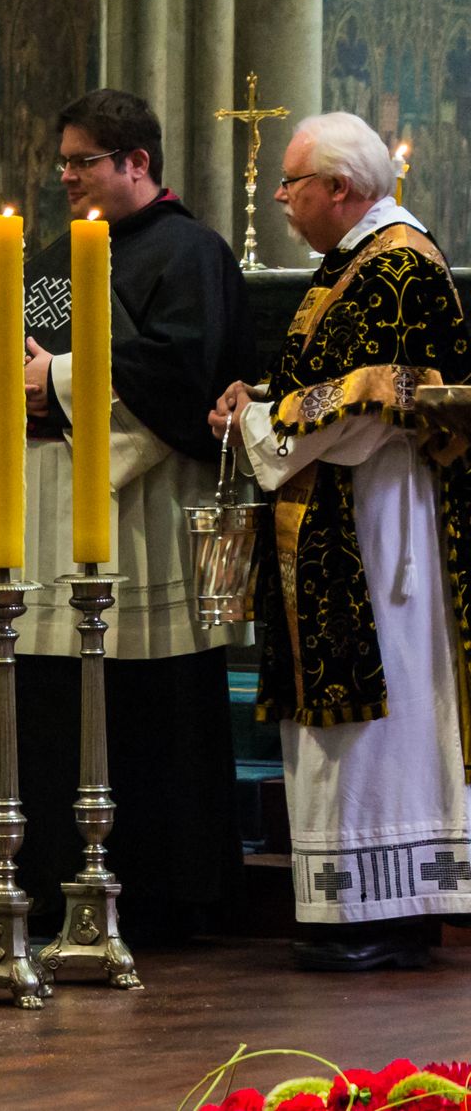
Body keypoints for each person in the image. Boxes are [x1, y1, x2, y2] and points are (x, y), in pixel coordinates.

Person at [211, 111, 471, 970]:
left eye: (292, 183)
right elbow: (316, 386)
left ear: (341, 189)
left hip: (378, 526)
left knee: (382, 715)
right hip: (339, 518)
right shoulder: (352, 265)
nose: (281, 198)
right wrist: (262, 400)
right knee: (344, 723)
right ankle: (353, 907)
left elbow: (364, 414)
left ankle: (385, 912)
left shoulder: (398, 267)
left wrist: (255, 420)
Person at [5, 88, 252, 942]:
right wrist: (12, 384)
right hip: (48, 513)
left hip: (143, 515)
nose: (66, 176)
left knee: (154, 708)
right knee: (52, 700)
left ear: (136, 163)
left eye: (83, 161)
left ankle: (163, 894)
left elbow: (185, 375)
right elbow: (9, 360)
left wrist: (58, 382)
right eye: (64, 161)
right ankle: (51, 883)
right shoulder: (44, 258)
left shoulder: (191, 254)